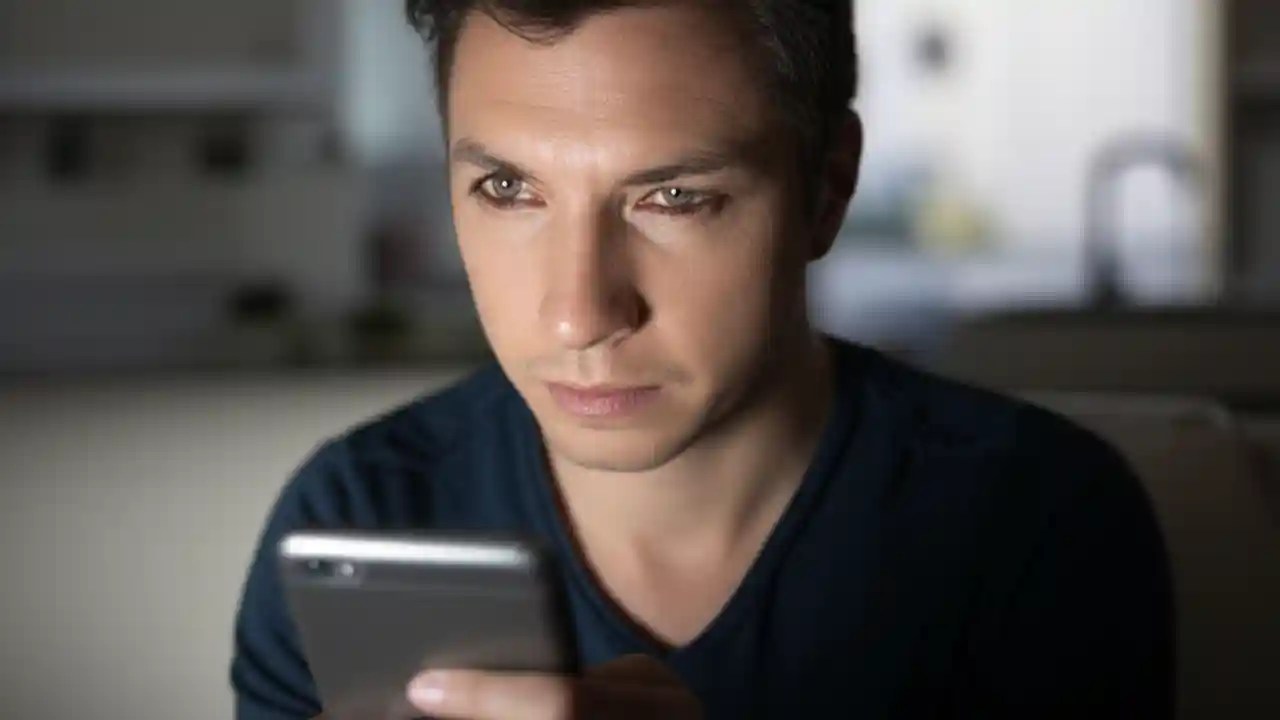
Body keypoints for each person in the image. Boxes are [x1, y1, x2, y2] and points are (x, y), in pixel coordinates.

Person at [231, 1, 1174, 717]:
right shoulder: (359, 519)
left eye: (675, 197)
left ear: (827, 190)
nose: (578, 316)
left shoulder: (1033, 521)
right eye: (508, 187)